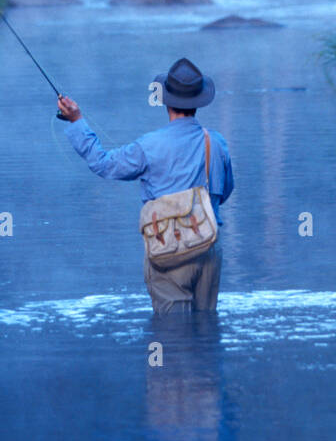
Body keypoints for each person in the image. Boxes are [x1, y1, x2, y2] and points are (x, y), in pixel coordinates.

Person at [56, 57, 234, 315]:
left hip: (168, 249)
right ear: (199, 102)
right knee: (206, 326)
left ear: (166, 101)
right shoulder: (216, 142)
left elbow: (104, 164)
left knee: (173, 333)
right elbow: (224, 192)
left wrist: (76, 121)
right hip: (208, 247)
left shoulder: (149, 146)